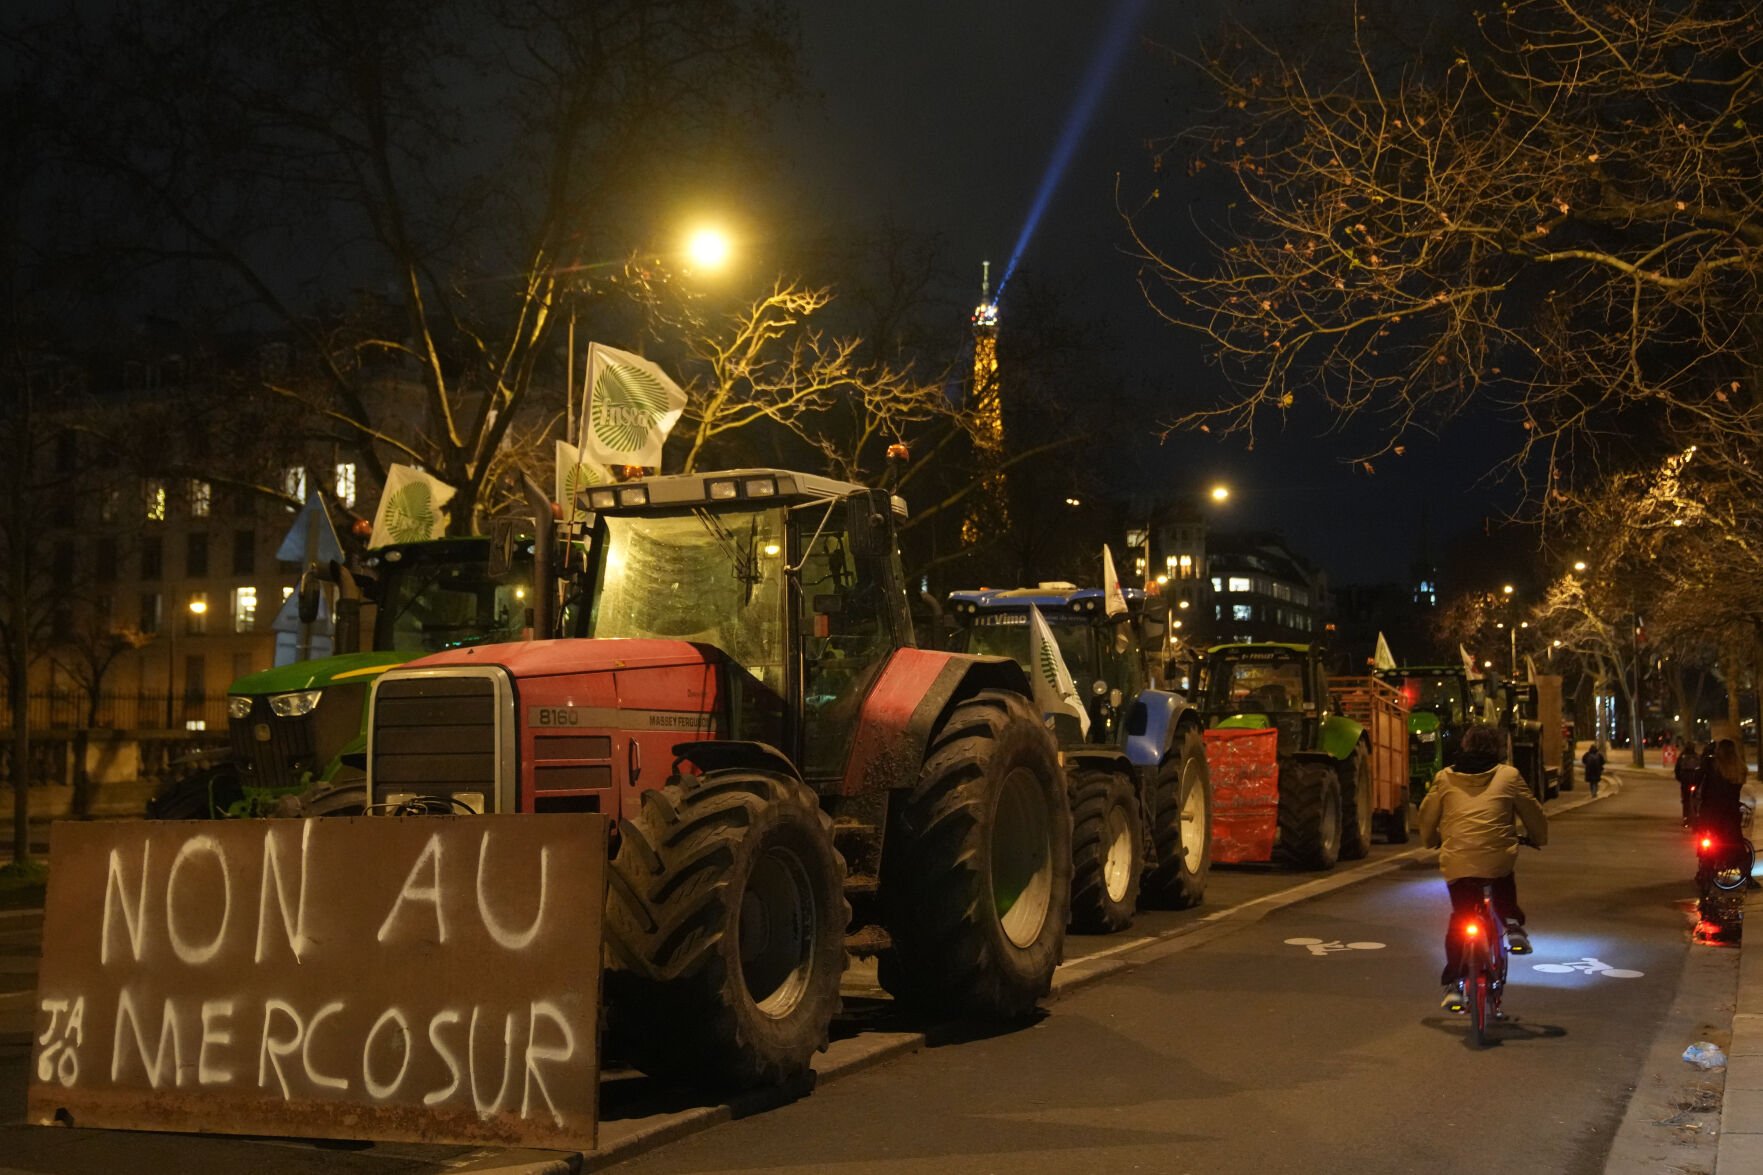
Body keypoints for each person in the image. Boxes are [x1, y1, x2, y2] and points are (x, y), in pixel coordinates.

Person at [1420, 724, 1550, 1010]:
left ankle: (1454, 984)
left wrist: (1431, 840)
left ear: (1465, 746)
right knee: (1501, 873)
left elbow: (1427, 819)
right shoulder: (1509, 776)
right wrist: (1539, 837)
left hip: (1458, 862)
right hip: (1497, 858)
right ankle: (1513, 924)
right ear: (1498, 749)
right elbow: (1532, 812)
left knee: (1460, 917)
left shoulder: (1444, 778)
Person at [1676, 739, 1703, 828]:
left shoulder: (1682, 756)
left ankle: (1686, 818)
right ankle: (1696, 817)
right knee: (1696, 799)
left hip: (1685, 781)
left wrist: (1680, 778)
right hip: (1695, 780)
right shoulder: (1697, 756)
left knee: (1686, 800)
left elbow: (1677, 769)